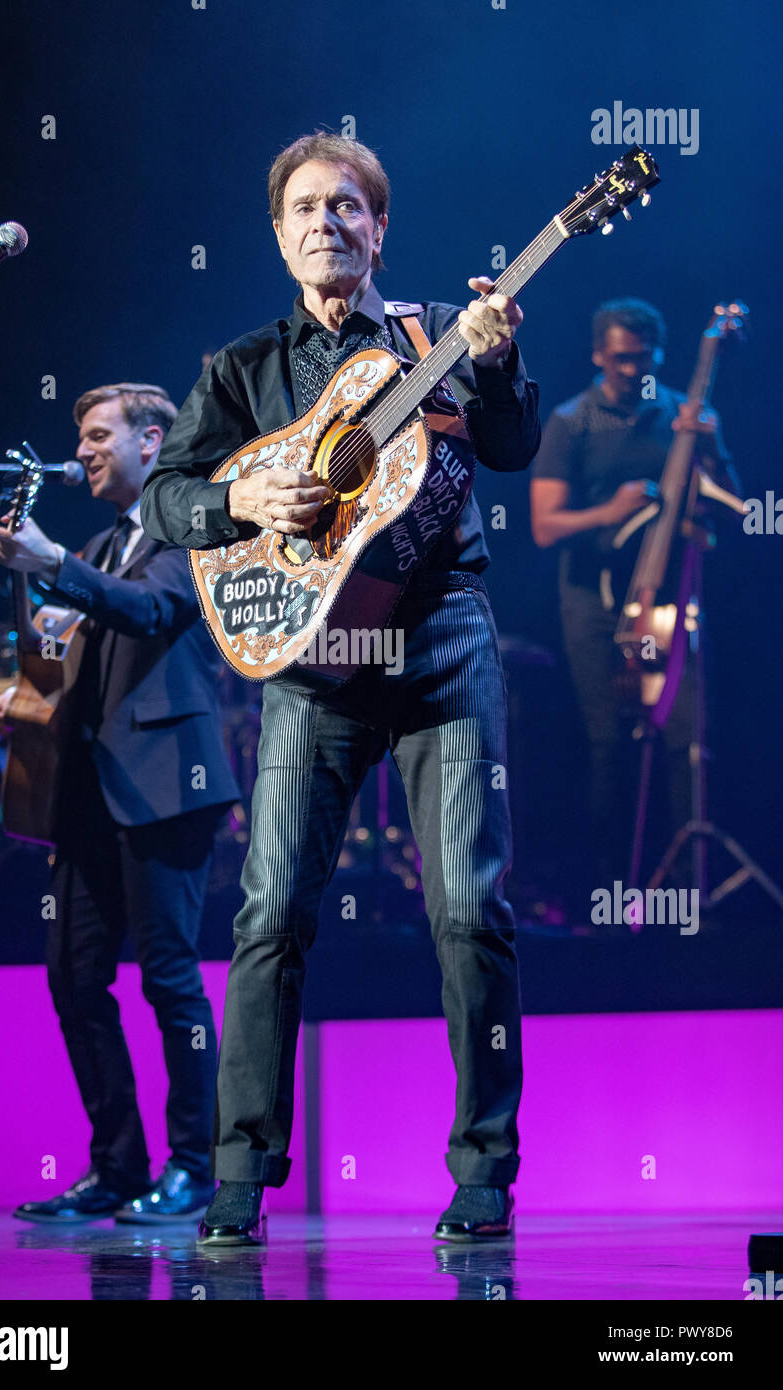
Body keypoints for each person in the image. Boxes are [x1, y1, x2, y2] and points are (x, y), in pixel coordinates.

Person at [141, 133, 541, 1244]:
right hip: (310, 656)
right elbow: (164, 497)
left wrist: (497, 361)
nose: (328, 221)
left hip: (438, 636)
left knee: (469, 906)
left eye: (350, 206)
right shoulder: (237, 370)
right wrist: (246, 508)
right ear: (278, 236)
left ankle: (483, 1170)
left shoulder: (431, 338)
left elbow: (507, 445)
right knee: (270, 909)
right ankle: (237, 1170)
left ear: (379, 230)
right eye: (307, 207)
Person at [0, 382, 239, 1224]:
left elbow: (151, 608)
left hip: (168, 785)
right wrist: (24, 702)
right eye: (82, 439)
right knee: (75, 976)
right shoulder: (100, 540)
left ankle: (196, 1169)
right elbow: (75, 655)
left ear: (153, 442)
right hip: (90, 792)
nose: (84, 451)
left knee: (169, 978)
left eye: (99, 437)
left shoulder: (183, 526)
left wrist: (55, 562)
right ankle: (119, 1166)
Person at [529, 299, 739, 890]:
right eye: (620, 359)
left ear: (658, 355)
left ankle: (685, 887)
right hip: (594, 603)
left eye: (641, 359)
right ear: (600, 355)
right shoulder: (572, 423)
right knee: (609, 738)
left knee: (683, 737)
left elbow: (735, 504)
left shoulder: (683, 415)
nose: (630, 370)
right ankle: (611, 886)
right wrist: (611, 511)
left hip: (669, 604)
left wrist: (713, 447)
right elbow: (545, 526)